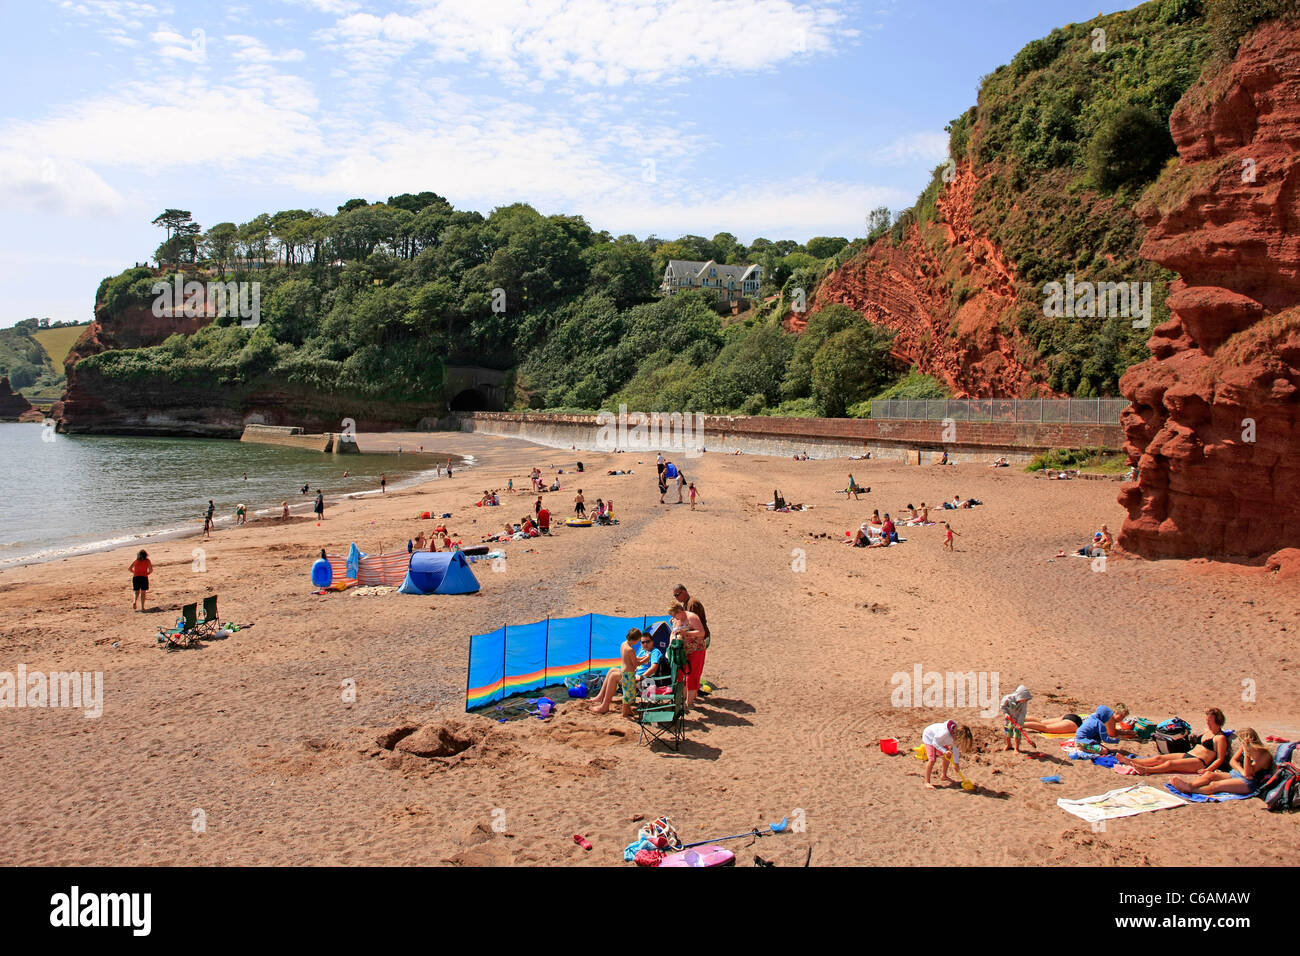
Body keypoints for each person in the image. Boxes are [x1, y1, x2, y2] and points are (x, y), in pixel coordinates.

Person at [1117, 708, 1230, 774]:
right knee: (1158, 758)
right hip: (1188, 754)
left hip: (1199, 762)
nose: (1207, 723)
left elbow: (1220, 759)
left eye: (1209, 720)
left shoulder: (1220, 738)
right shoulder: (1207, 731)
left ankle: (1147, 770)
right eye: (1207, 720)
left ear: (1217, 721)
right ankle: (1131, 762)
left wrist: (1208, 770)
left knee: (1170, 764)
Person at [1169, 728, 1274, 796]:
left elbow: (1248, 774)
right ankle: (1190, 785)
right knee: (1209, 775)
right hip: (1238, 774)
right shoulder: (1244, 747)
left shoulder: (1264, 755)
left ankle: (1193, 790)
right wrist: (1241, 770)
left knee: (1215, 785)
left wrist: (1246, 755)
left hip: (1249, 783)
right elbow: (1233, 762)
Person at [590, 628, 643, 716]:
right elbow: (635, 664)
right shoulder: (631, 649)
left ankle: (603, 702)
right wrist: (646, 659)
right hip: (628, 675)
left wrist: (643, 658)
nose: (641, 643)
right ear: (635, 640)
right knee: (613, 672)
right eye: (640, 641)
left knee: (613, 673)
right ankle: (602, 701)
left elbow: (633, 658)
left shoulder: (623, 644)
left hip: (625, 672)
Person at [669, 599, 708, 710]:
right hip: (682, 650)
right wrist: (671, 642)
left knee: (692, 675)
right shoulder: (676, 620)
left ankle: (689, 702)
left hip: (696, 649)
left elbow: (701, 633)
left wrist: (686, 633)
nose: (675, 618)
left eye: (675, 614)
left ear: (680, 610)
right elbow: (672, 633)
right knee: (681, 674)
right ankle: (684, 698)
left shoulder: (692, 617)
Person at [922, 720, 974, 789]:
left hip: (940, 741)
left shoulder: (955, 735)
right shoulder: (944, 732)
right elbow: (935, 742)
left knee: (948, 758)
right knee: (932, 760)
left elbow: (955, 749)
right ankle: (927, 782)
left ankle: (944, 775)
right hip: (929, 738)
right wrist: (944, 751)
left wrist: (956, 763)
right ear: (958, 735)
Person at [1000, 685, 1033, 753]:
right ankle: (1009, 745)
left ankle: (1017, 748)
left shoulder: (1024, 703)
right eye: (1024, 699)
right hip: (1009, 719)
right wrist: (1006, 713)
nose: (1024, 700)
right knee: (1008, 732)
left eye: (1026, 699)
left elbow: (1022, 713)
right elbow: (1003, 707)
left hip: (1018, 719)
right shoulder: (1008, 699)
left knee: (1017, 734)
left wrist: (1019, 723)